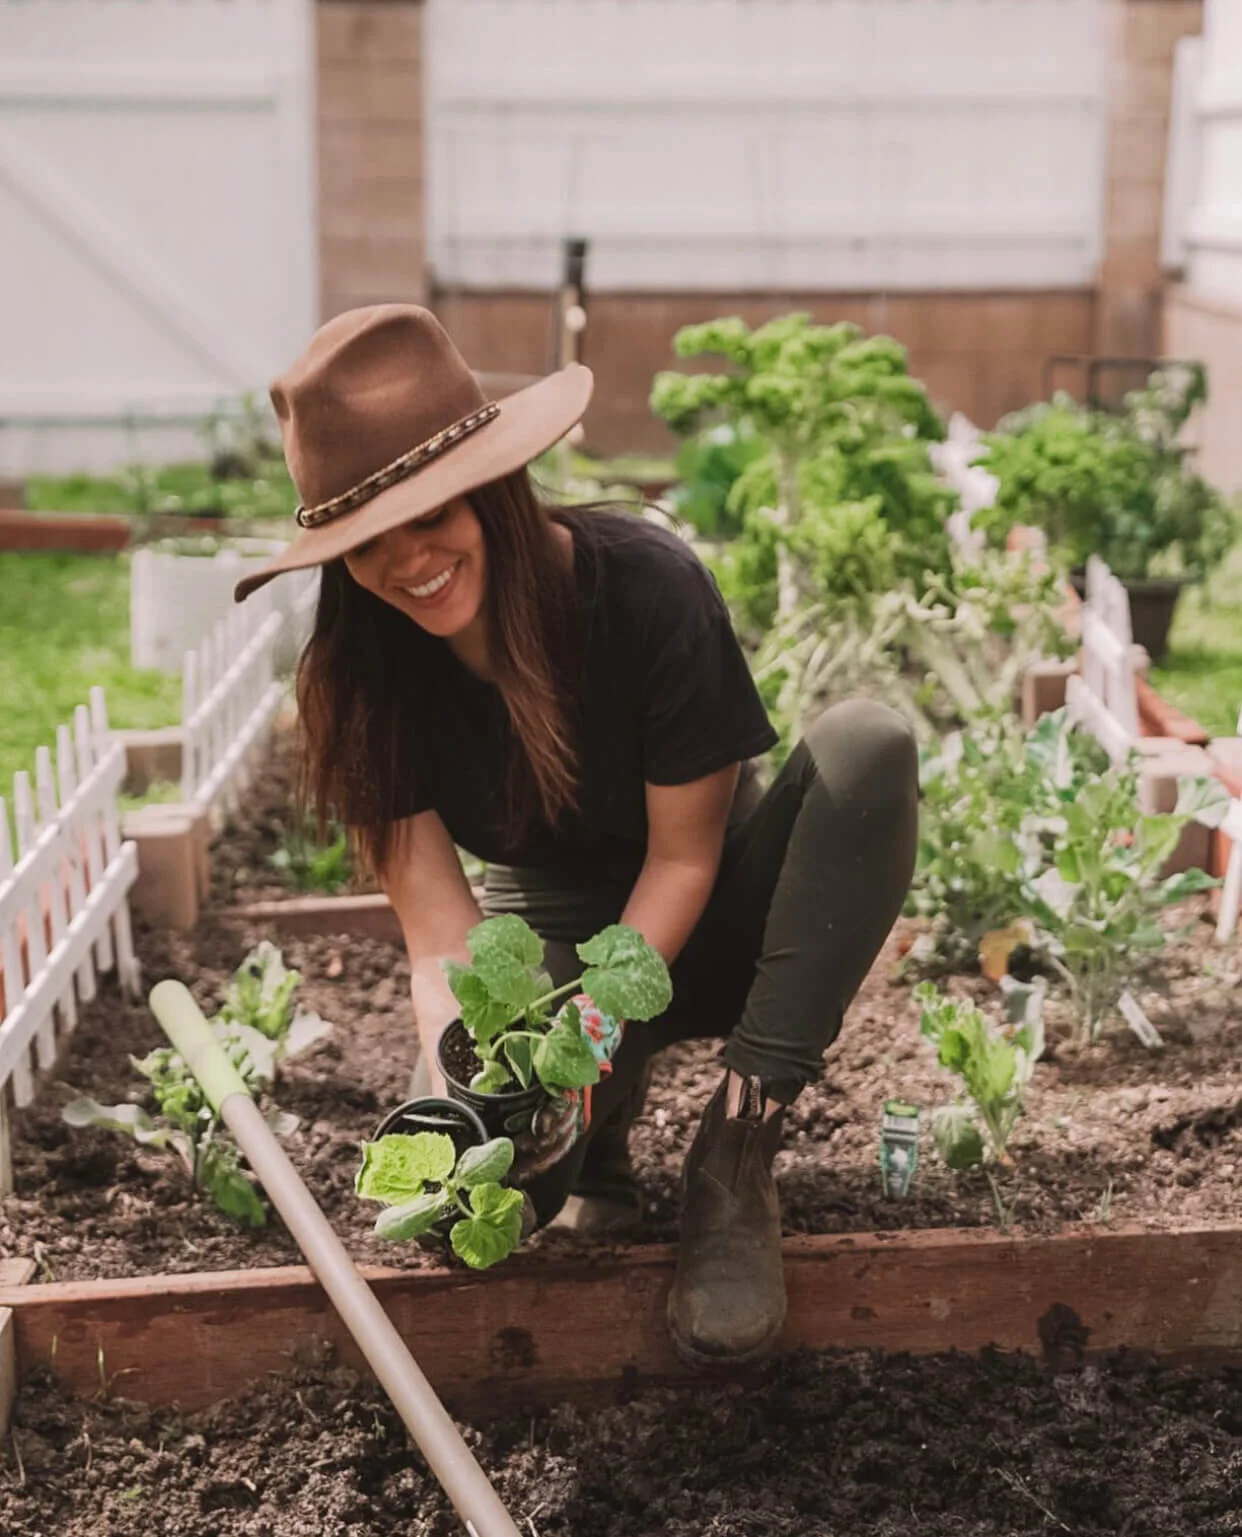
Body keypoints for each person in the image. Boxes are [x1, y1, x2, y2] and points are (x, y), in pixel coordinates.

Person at [235, 304, 919, 1368]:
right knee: (512, 1185)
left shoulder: (645, 588)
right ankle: (593, 1155)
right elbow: (441, 939)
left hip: (719, 913)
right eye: (366, 541)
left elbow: (684, 857)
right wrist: (479, 1084)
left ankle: (734, 1157)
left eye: (432, 514)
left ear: (494, 483)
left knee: (867, 744)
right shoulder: (359, 679)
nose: (409, 561)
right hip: (551, 954)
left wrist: (602, 1012)